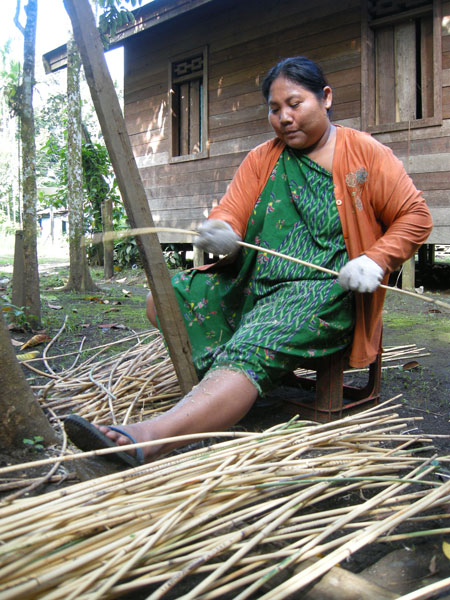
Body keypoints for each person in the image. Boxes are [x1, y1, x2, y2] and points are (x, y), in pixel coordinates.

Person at [65, 56, 433, 467]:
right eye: (275, 109)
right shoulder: (263, 157)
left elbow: (415, 217)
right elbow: (232, 211)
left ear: (325, 97)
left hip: (324, 292)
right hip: (252, 281)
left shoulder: (364, 153)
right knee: (164, 302)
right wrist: (220, 229)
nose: (284, 118)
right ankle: (238, 382)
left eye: (295, 104)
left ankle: (148, 439)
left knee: (256, 343)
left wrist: (375, 259)